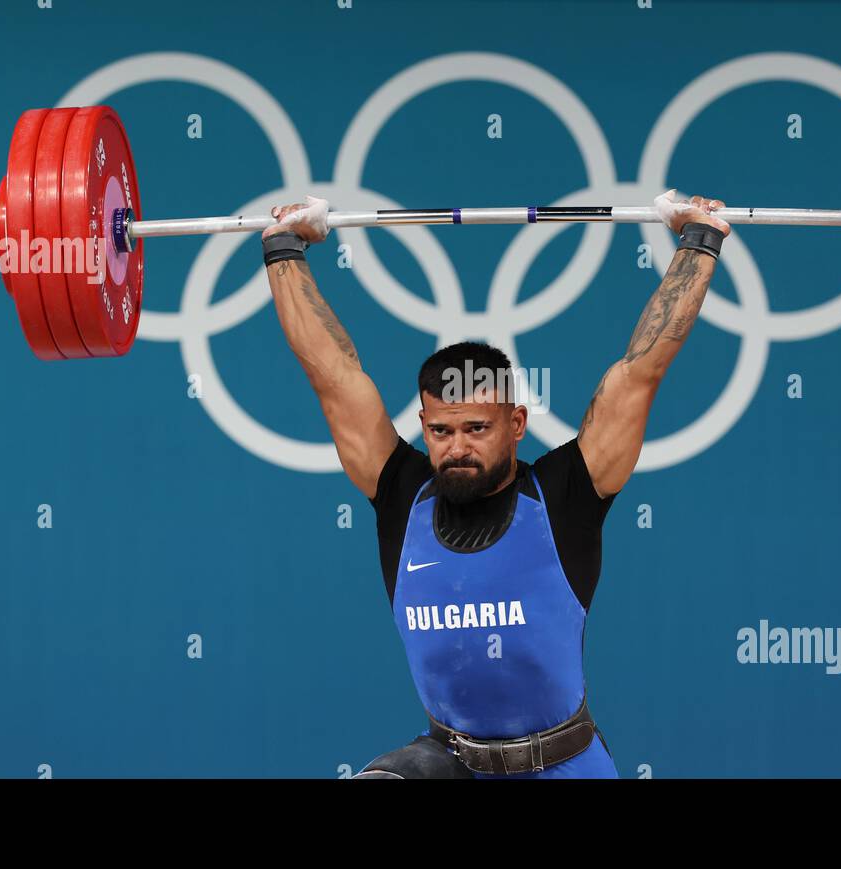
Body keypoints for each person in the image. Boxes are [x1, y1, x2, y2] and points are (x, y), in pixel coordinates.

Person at [261, 190, 730, 778]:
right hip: (449, 767)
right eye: (440, 430)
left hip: (564, 766)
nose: (456, 447)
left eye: (477, 428)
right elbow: (331, 375)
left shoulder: (565, 497)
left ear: (516, 424)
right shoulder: (402, 495)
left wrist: (699, 239)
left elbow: (641, 371)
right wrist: (284, 249)